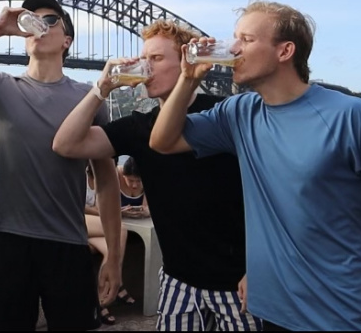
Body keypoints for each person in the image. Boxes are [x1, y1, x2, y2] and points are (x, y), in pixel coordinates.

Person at [149, 0, 361, 331]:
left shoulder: (349, 115)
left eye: (247, 39)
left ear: (284, 51)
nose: (233, 48)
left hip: (342, 314)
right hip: (273, 312)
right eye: (234, 38)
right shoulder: (239, 113)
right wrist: (188, 79)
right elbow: (162, 141)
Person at [0, 0, 122, 331]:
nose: (40, 27)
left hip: (68, 242)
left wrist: (115, 259)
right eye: (32, 21)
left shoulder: (90, 98)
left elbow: (105, 182)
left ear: (67, 41)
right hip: (10, 240)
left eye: (51, 21)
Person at [54, 19, 257, 331]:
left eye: (157, 58)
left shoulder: (225, 115)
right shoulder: (138, 127)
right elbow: (66, 144)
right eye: (144, 58)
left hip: (238, 282)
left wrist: (260, 268)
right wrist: (101, 88)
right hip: (178, 281)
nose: (145, 67)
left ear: (188, 60)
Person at [83, 164, 133, 326]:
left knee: (109, 250)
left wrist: (107, 210)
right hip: (75, 218)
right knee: (120, 229)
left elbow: (100, 206)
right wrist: (110, 211)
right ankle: (117, 284)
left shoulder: (100, 178)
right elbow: (79, 205)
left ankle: (99, 300)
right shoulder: (80, 176)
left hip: (89, 225)